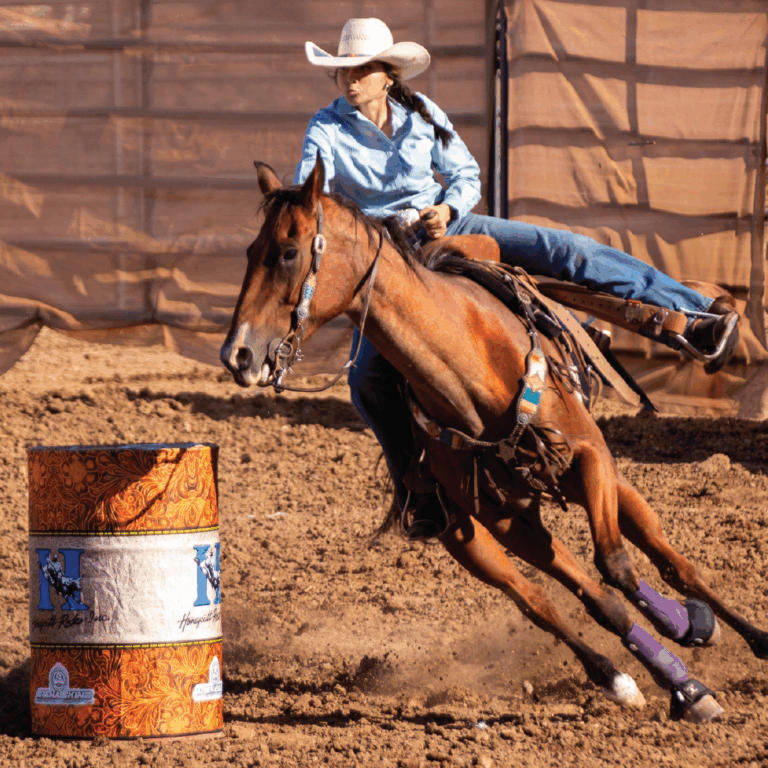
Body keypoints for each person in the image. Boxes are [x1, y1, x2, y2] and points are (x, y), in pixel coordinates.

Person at [295, 18, 740, 540]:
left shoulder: (422, 114)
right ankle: (415, 490)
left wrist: (447, 206)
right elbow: (311, 192)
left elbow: (465, 175)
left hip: (449, 226)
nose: (350, 80)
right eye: (343, 70)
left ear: (387, 75)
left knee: (566, 249)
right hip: (387, 259)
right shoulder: (324, 129)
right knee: (365, 381)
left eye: (362, 69)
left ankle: (693, 318)